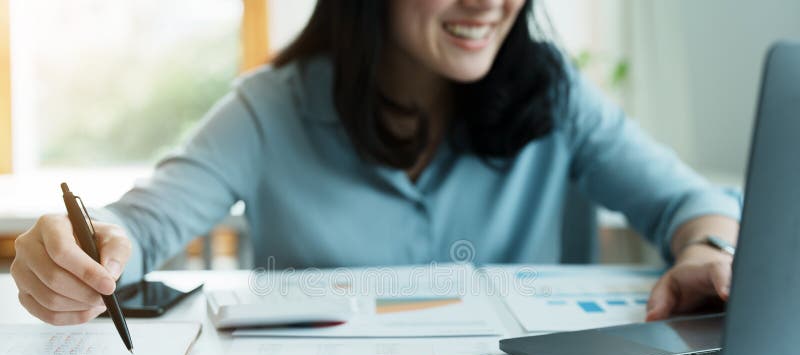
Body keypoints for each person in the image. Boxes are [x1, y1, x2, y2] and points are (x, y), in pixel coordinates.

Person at [11, 0, 740, 328]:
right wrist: (79, 249)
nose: (488, 2)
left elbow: (691, 205)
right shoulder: (272, 108)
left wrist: (706, 251)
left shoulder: (555, 94)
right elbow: (140, 224)